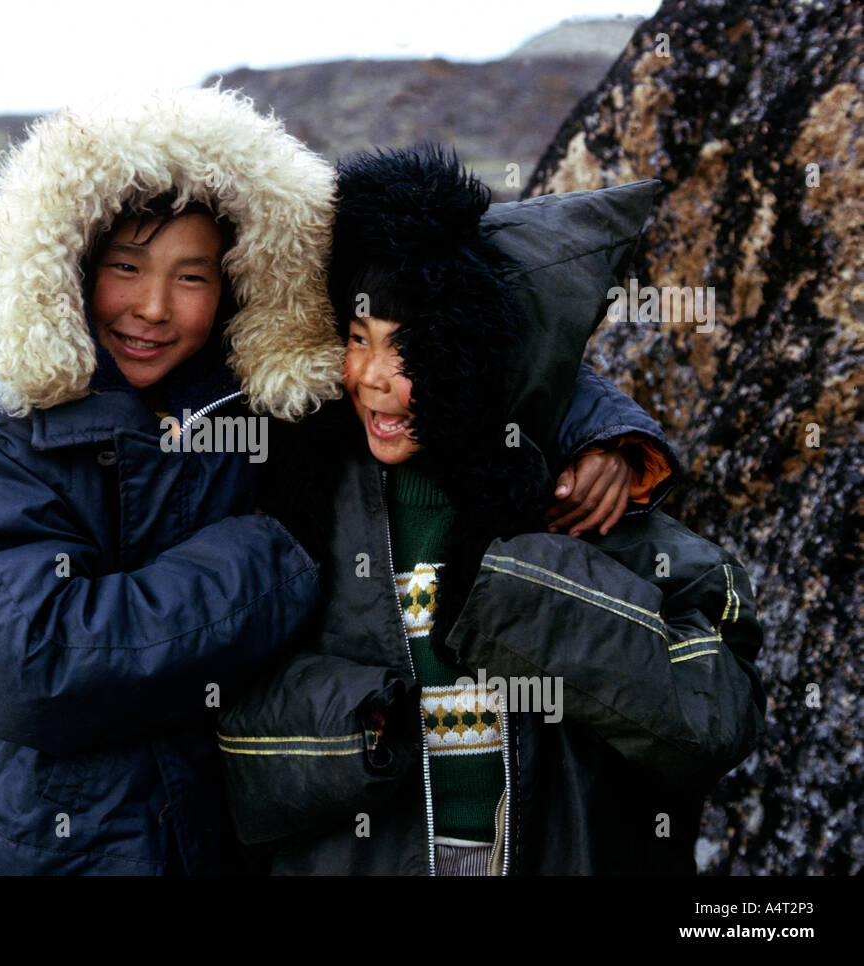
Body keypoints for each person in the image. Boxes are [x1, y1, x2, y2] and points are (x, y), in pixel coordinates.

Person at [216, 145, 767, 875]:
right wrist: (363, 728)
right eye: (357, 339)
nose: (374, 378)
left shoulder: (570, 497)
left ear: (464, 348)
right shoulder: (300, 500)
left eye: (408, 348)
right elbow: (221, 729)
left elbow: (717, 719)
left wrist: (522, 589)